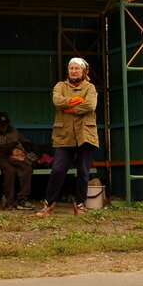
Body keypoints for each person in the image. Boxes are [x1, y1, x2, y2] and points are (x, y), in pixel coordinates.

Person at [37, 57, 98, 216]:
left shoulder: (90, 88)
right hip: (64, 135)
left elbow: (91, 105)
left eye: (77, 68)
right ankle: (49, 205)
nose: (73, 71)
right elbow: (57, 102)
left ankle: (80, 205)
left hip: (85, 135)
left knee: (83, 173)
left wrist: (70, 108)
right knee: (57, 170)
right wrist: (76, 101)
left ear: (84, 71)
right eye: (71, 68)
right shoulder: (60, 86)